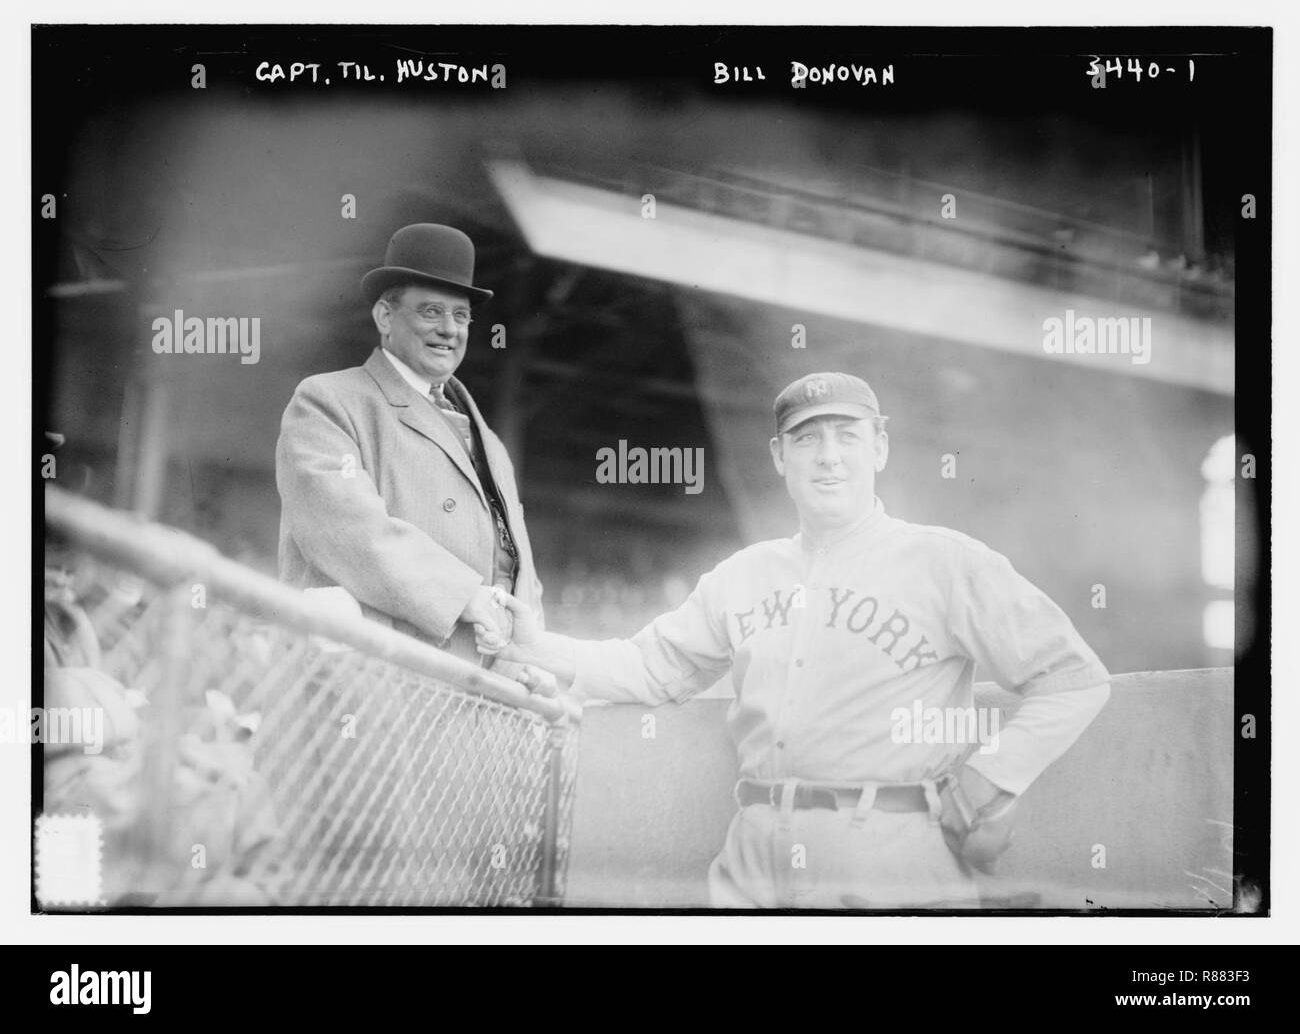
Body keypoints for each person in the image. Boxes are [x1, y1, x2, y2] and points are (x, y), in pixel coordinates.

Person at [488, 371, 1112, 908]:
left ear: (880, 448)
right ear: (780, 456)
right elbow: (650, 667)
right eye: (806, 438)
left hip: (889, 853)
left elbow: (1072, 679)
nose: (828, 455)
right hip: (752, 853)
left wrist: (989, 779)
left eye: (848, 435)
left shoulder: (946, 562)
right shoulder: (743, 574)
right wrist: (533, 644)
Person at [275, 223, 543, 669]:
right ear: (385, 316)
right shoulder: (328, 401)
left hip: (478, 701)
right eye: (431, 311)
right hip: (370, 691)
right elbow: (350, 530)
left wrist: (533, 660)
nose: (448, 330)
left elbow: (520, 573)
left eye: (460, 316)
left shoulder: (491, 444)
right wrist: (462, 596)